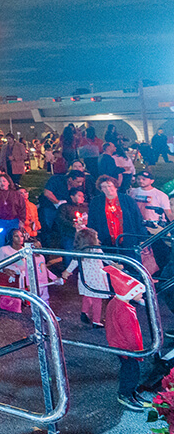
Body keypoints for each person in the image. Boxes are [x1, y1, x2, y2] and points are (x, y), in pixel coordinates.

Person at [104, 265, 150, 411]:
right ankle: (125, 393)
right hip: (126, 348)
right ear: (129, 293)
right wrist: (138, 351)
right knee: (131, 371)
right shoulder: (126, 311)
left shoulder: (117, 302)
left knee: (128, 370)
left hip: (117, 344)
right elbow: (131, 335)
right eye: (139, 293)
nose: (142, 295)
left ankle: (130, 391)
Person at [61, 227, 108, 328]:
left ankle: (84, 312)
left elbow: (73, 263)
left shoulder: (80, 252)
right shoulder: (96, 250)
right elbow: (106, 259)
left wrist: (67, 272)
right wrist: (115, 264)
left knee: (87, 296)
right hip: (97, 279)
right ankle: (96, 321)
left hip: (85, 279)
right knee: (97, 299)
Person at [88, 175, 144, 249]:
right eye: (104, 187)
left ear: (115, 187)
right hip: (105, 241)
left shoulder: (128, 200)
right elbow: (92, 221)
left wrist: (142, 238)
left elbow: (138, 219)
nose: (108, 189)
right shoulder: (96, 202)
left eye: (109, 186)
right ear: (101, 189)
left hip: (128, 240)